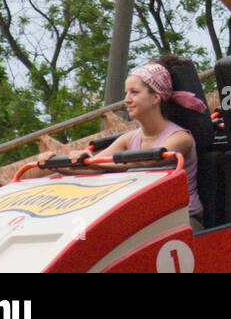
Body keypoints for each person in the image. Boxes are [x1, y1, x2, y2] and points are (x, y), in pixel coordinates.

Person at [39, 59, 207, 228]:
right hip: (145, 219)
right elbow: (89, 166)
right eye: (126, 93)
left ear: (156, 98)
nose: (127, 100)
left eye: (134, 92)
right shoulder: (129, 139)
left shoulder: (180, 138)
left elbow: (149, 161)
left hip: (181, 219)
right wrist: (55, 163)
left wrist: (97, 163)